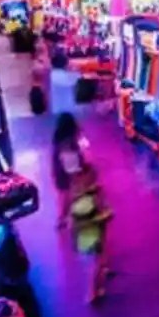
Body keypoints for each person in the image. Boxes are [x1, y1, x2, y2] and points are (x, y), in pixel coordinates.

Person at [52, 113, 113, 302]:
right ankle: (92, 291)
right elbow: (81, 176)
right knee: (95, 251)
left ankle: (100, 274)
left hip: (83, 206)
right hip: (87, 206)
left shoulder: (60, 150)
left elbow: (66, 190)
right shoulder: (72, 153)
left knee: (96, 248)